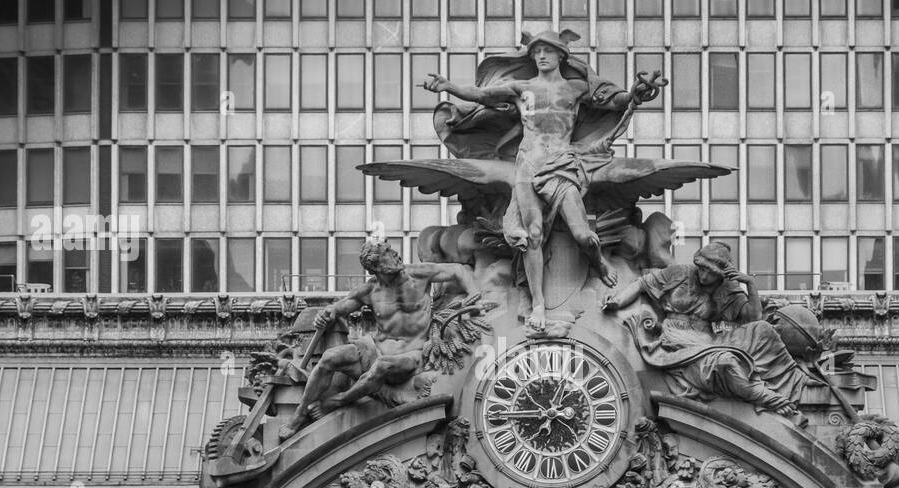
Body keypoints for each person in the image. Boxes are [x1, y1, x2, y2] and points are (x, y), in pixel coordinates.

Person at [419, 30, 663, 332]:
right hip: (528, 165)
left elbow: (616, 100)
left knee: (583, 235)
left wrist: (637, 93)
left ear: (561, 55)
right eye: (536, 52)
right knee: (532, 236)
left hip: (562, 165)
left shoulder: (576, 87)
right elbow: (482, 96)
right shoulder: (522, 87)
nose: (541, 56)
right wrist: (449, 87)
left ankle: (599, 261)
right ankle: (537, 303)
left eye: (547, 51)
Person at [278, 239, 476, 441]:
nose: (396, 254)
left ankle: (336, 402)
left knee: (382, 365)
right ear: (376, 267)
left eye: (391, 250)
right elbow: (341, 307)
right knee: (330, 357)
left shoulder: (418, 274)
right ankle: (299, 415)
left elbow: (459, 271)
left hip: (412, 355)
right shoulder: (370, 290)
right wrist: (327, 313)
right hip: (375, 349)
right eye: (388, 254)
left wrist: (476, 296)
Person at [602, 241, 815, 418]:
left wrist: (750, 284)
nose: (704, 276)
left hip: (708, 337)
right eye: (702, 269)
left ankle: (796, 378)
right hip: (678, 336)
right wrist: (617, 301)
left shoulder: (726, 288)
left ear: (721, 274)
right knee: (725, 362)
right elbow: (641, 284)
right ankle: (762, 395)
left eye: (710, 273)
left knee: (763, 330)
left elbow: (753, 317)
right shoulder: (680, 273)